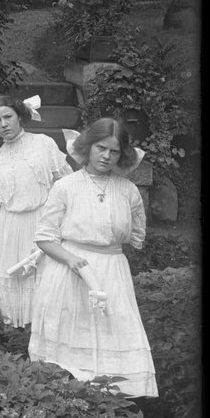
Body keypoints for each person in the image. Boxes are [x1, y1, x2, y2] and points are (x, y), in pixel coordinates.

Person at [28, 119, 157, 398]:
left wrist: (107, 257)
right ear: (88, 147)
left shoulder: (128, 191)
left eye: (114, 151)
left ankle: (111, 411)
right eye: (101, 148)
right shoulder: (66, 187)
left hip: (112, 273)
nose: (106, 156)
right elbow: (44, 237)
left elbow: (136, 237)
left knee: (115, 335)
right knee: (68, 346)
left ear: (122, 154)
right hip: (68, 272)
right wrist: (72, 259)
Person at [0, 95, 72, 327]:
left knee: (46, 285)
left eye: (8, 117)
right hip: (10, 230)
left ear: (20, 116)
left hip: (42, 226)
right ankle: (16, 343)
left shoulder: (43, 144)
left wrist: (65, 228)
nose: (3, 124)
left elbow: (67, 187)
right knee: (12, 289)